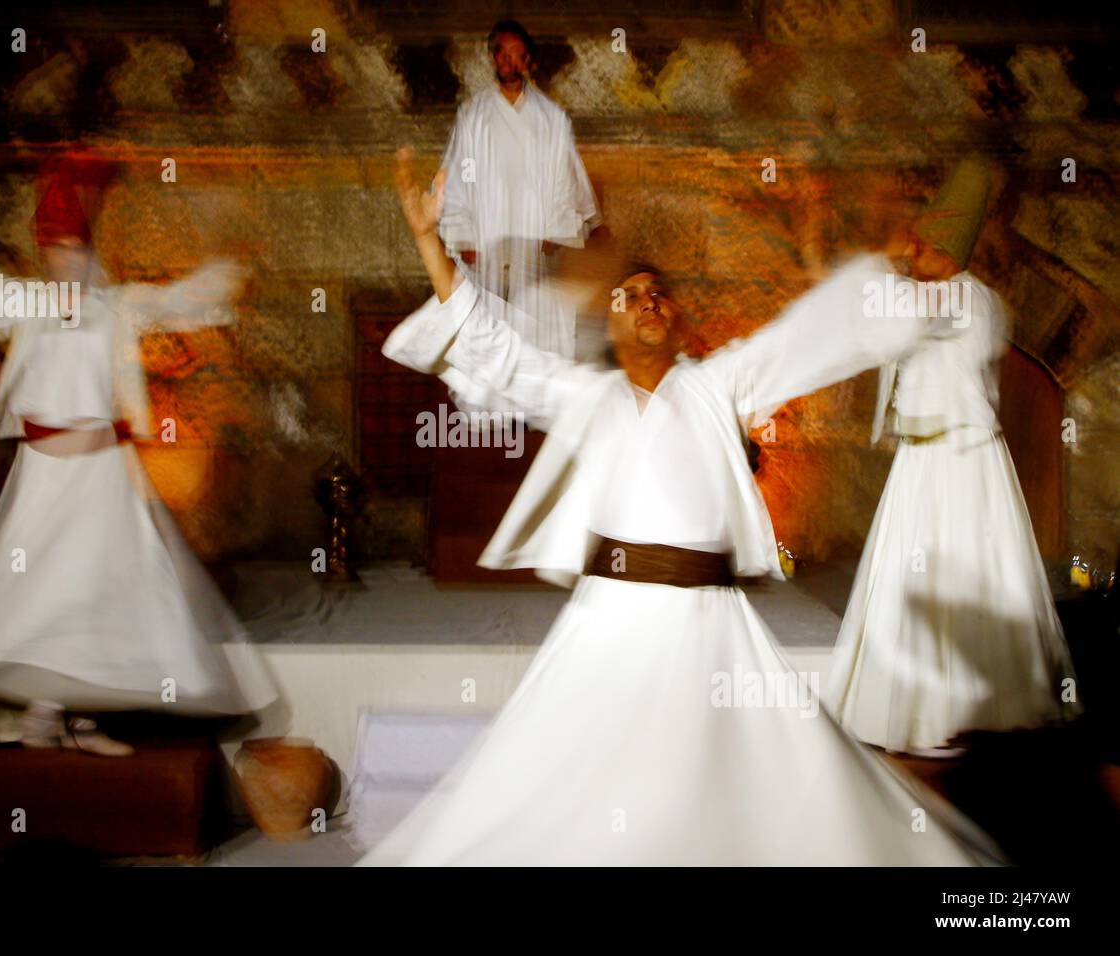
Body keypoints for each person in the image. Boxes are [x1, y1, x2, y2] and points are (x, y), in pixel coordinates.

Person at [357, 150, 1002, 864]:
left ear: (682, 317)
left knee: (766, 806)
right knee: (557, 798)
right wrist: (428, 242)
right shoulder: (587, 396)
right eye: (628, 295)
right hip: (608, 623)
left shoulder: (720, 382)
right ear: (612, 325)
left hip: (712, 626)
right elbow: (496, 351)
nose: (647, 301)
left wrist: (892, 269)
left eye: (659, 292)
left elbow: (815, 332)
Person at [0, 158, 277, 755]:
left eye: (73, 248)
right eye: (54, 249)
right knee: (39, 593)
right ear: (43, 254)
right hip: (43, 475)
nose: (65, 259)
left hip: (101, 475)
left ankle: (80, 720)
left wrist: (234, 258)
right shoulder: (26, 302)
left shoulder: (116, 305)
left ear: (87, 254)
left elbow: (184, 299)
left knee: (109, 589)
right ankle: (46, 715)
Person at [824, 155, 1079, 756]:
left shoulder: (969, 302)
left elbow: (906, 314)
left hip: (963, 464)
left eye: (920, 247)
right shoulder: (931, 299)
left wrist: (875, 260)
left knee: (960, 574)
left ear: (944, 248)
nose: (912, 258)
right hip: (922, 462)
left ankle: (964, 712)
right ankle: (911, 709)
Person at [438, 19, 602, 363]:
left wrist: (558, 229)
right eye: (502, 53)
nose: (508, 61)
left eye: (516, 54)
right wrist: (463, 235)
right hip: (487, 238)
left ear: (528, 60)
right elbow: (458, 173)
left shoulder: (551, 118)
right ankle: (490, 412)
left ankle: (535, 407)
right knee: (487, 328)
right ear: (493, 57)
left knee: (536, 329)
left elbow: (564, 175)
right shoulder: (473, 116)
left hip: (534, 239)